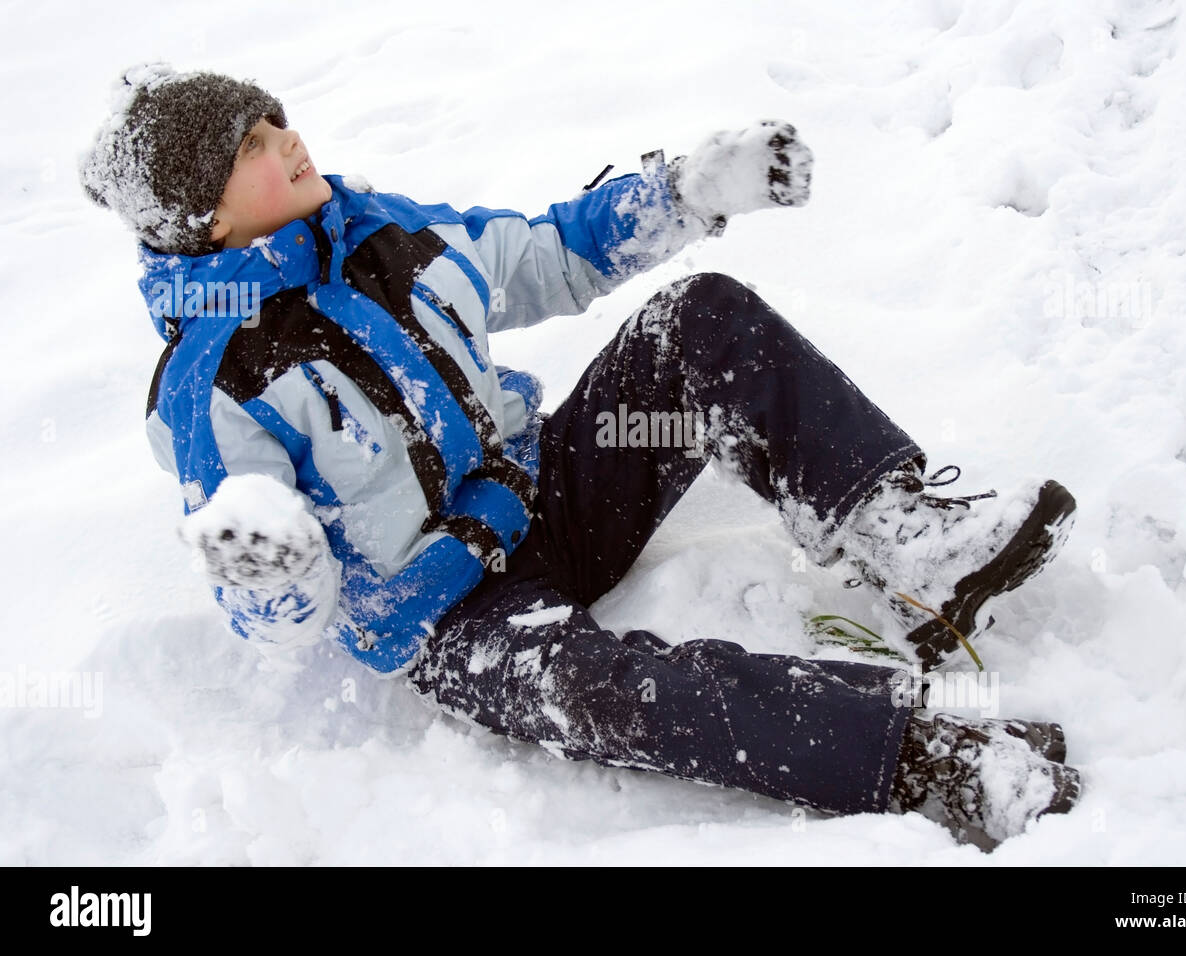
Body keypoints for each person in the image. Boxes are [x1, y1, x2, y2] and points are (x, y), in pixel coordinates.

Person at [81, 63, 1082, 851]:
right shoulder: (210, 383)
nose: (286, 139)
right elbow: (268, 608)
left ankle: (914, 546)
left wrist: (681, 195)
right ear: (201, 218)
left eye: (274, 119)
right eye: (250, 146)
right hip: (449, 615)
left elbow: (543, 253)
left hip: (543, 492)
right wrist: (283, 569)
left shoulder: (381, 234)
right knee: (609, 689)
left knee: (693, 321)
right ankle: (925, 758)